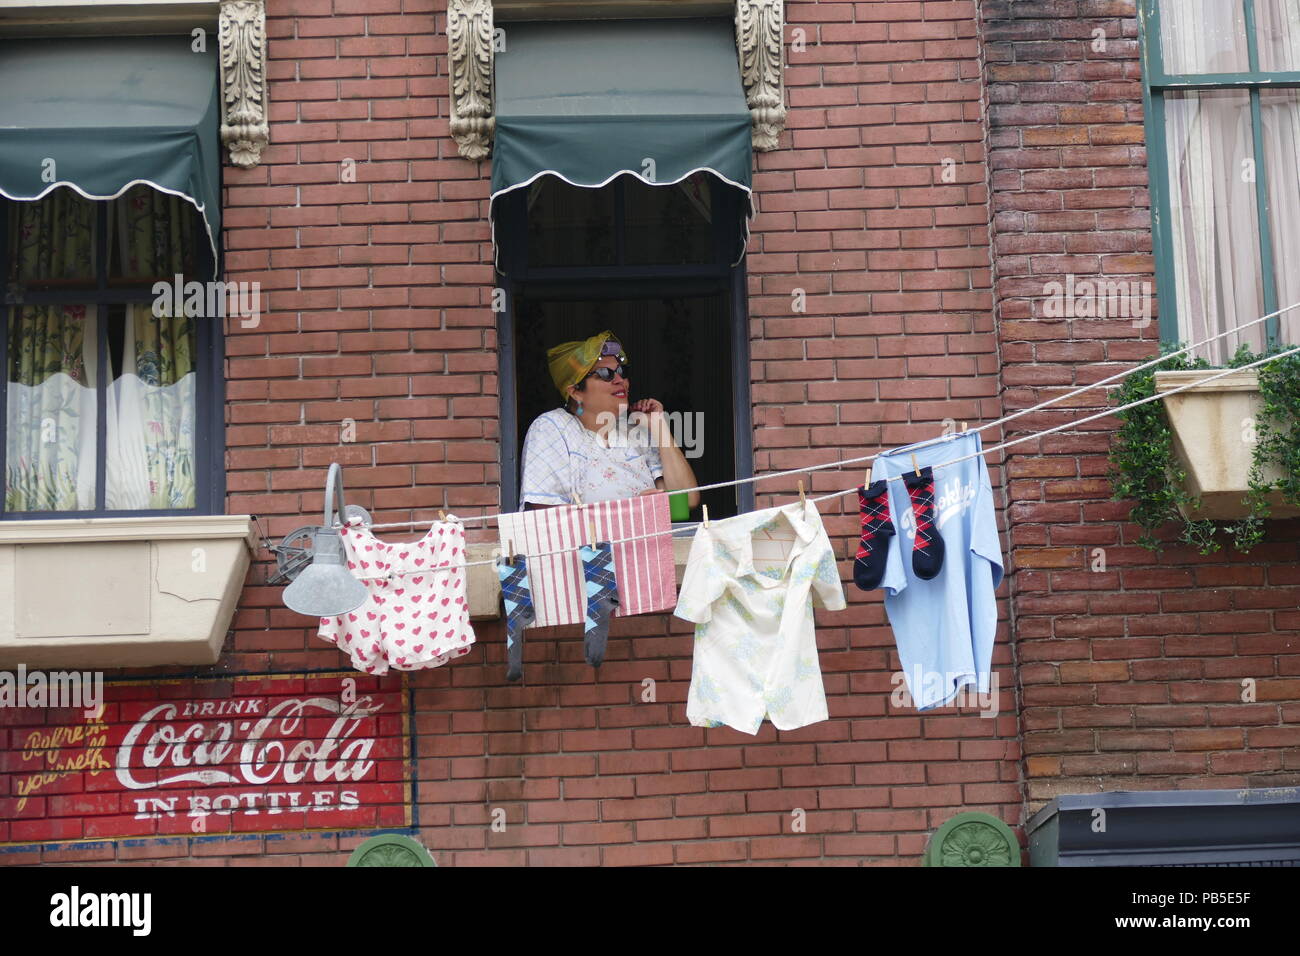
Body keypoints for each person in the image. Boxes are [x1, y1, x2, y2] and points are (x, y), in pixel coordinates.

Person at [519, 330, 700, 510]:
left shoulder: (636, 434)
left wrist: (659, 426)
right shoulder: (552, 427)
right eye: (606, 374)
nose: (620, 380)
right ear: (575, 392)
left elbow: (686, 502)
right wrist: (633, 510)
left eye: (622, 371)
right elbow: (548, 516)